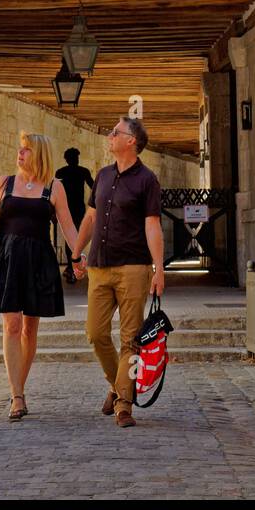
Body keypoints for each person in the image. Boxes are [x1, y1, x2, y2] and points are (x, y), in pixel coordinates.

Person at [0, 132, 81, 420]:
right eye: (20, 148)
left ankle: (19, 386)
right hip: (7, 258)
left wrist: (78, 257)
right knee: (12, 325)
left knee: (29, 329)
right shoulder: (5, 183)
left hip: (39, 260)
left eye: (26, 150)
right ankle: (17, 395)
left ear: (39, 154)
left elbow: (68, 225)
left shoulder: (54, 188)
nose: (20, 153)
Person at [70, 115, 164, 428]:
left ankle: (124, 405)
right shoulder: (103, 175)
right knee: (95, 334)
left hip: (134, 268)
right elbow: (90, 218)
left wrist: (158, 269)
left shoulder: (147, 180)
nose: (109, 136)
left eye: (115, 132)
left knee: (130, 339)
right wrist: (76, 252)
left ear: (131, 141)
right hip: (98, 265)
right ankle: (116, 385)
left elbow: (152, 225)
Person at [55, 148, 94, 283]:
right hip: (70, 208)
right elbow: (94, 187)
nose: (75, 160)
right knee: (73, 237)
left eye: (76, 157)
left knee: (73, 238)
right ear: (68, 159)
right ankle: (73, 265)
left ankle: (73, 264)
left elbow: (93, 188)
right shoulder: (69, 172)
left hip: (75, 209)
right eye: (73, 158)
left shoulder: (64, 172)